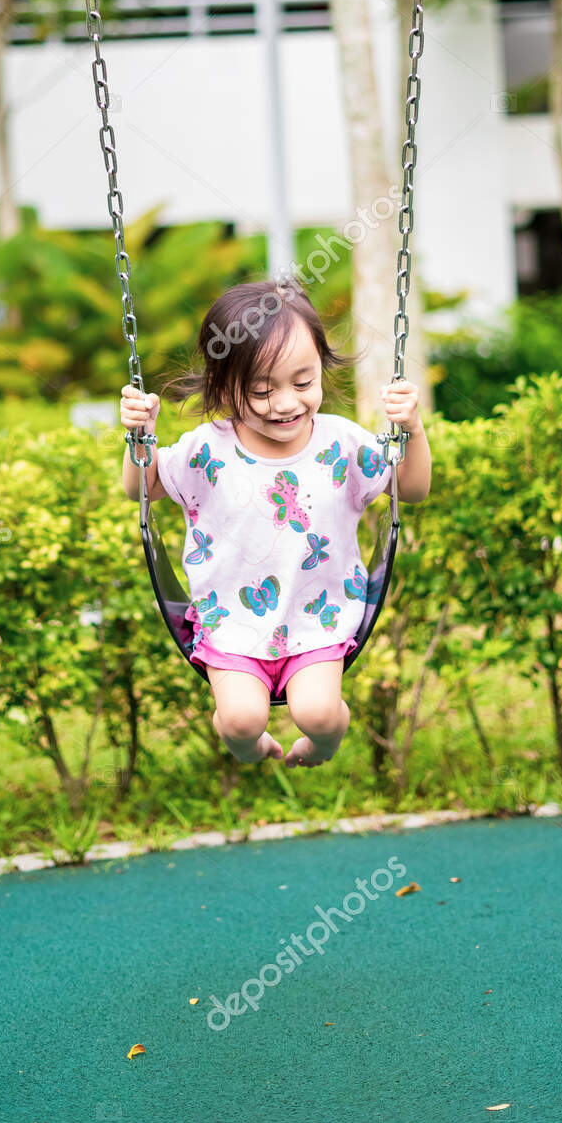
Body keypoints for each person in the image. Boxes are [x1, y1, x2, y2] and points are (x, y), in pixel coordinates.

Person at [119, 280, 431, 769]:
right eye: (262, 391)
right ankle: (249, 747)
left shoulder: (341, 444)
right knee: (242, 721)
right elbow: (143, 486)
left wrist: (412, 429)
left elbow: (410, 490)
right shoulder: (208, 449)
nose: (285, 403)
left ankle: (322, 747)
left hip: (319, 620)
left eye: (303, 383)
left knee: (322, 714)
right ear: (224, 387)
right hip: (231, 626)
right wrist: (140, 437)